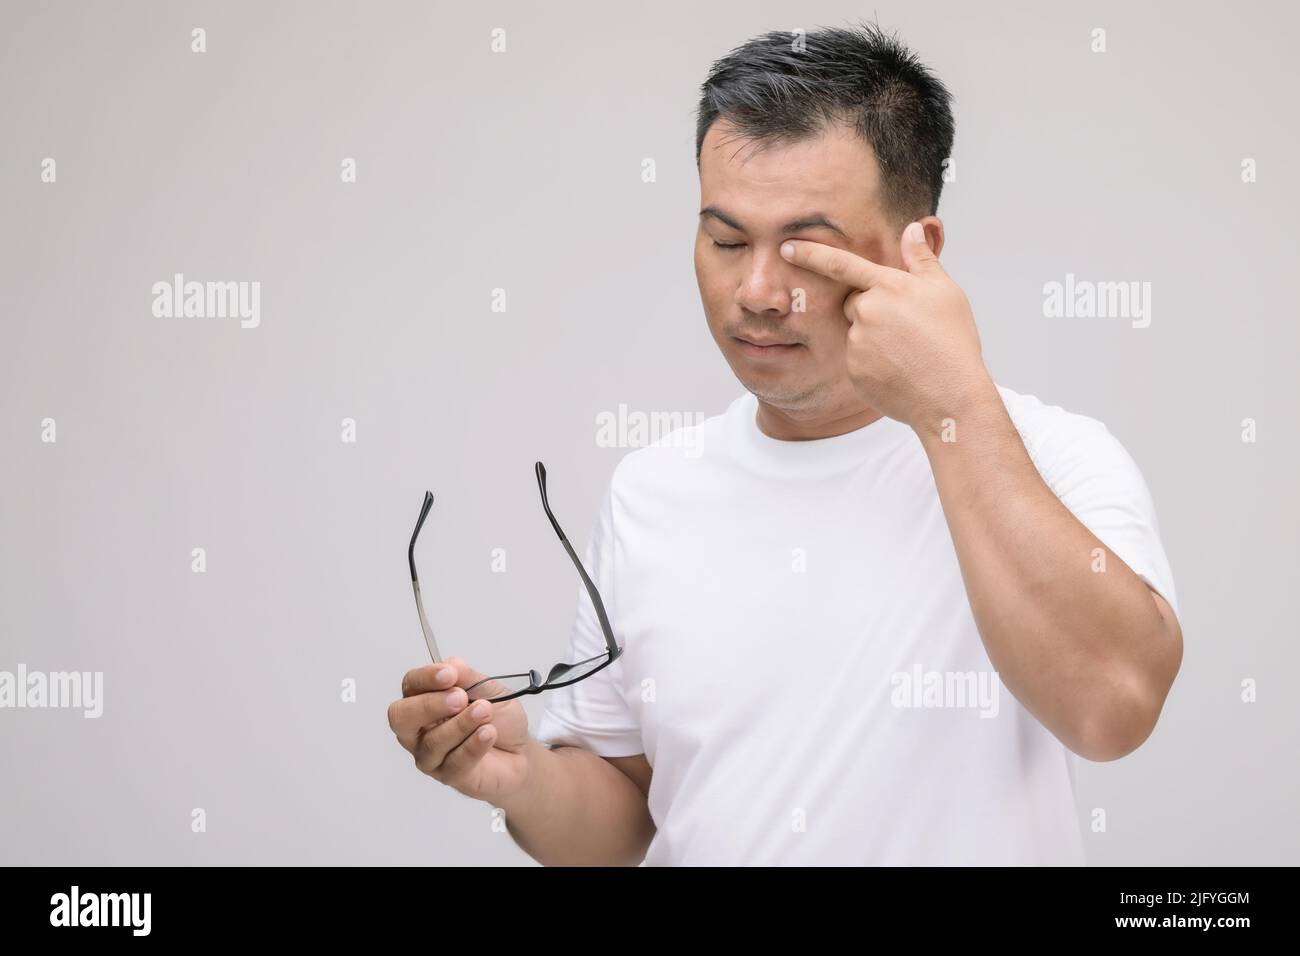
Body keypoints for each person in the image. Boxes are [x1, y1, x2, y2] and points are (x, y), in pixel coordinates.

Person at [387, 22, 1183, 866]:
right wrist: (520, 779)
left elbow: (1112, 711)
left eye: (807, 250)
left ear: (921, 251)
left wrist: (953, 405)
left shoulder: (1053, 457)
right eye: (726, 241)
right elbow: (622, 821)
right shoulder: (653, 490)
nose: (759, 292)